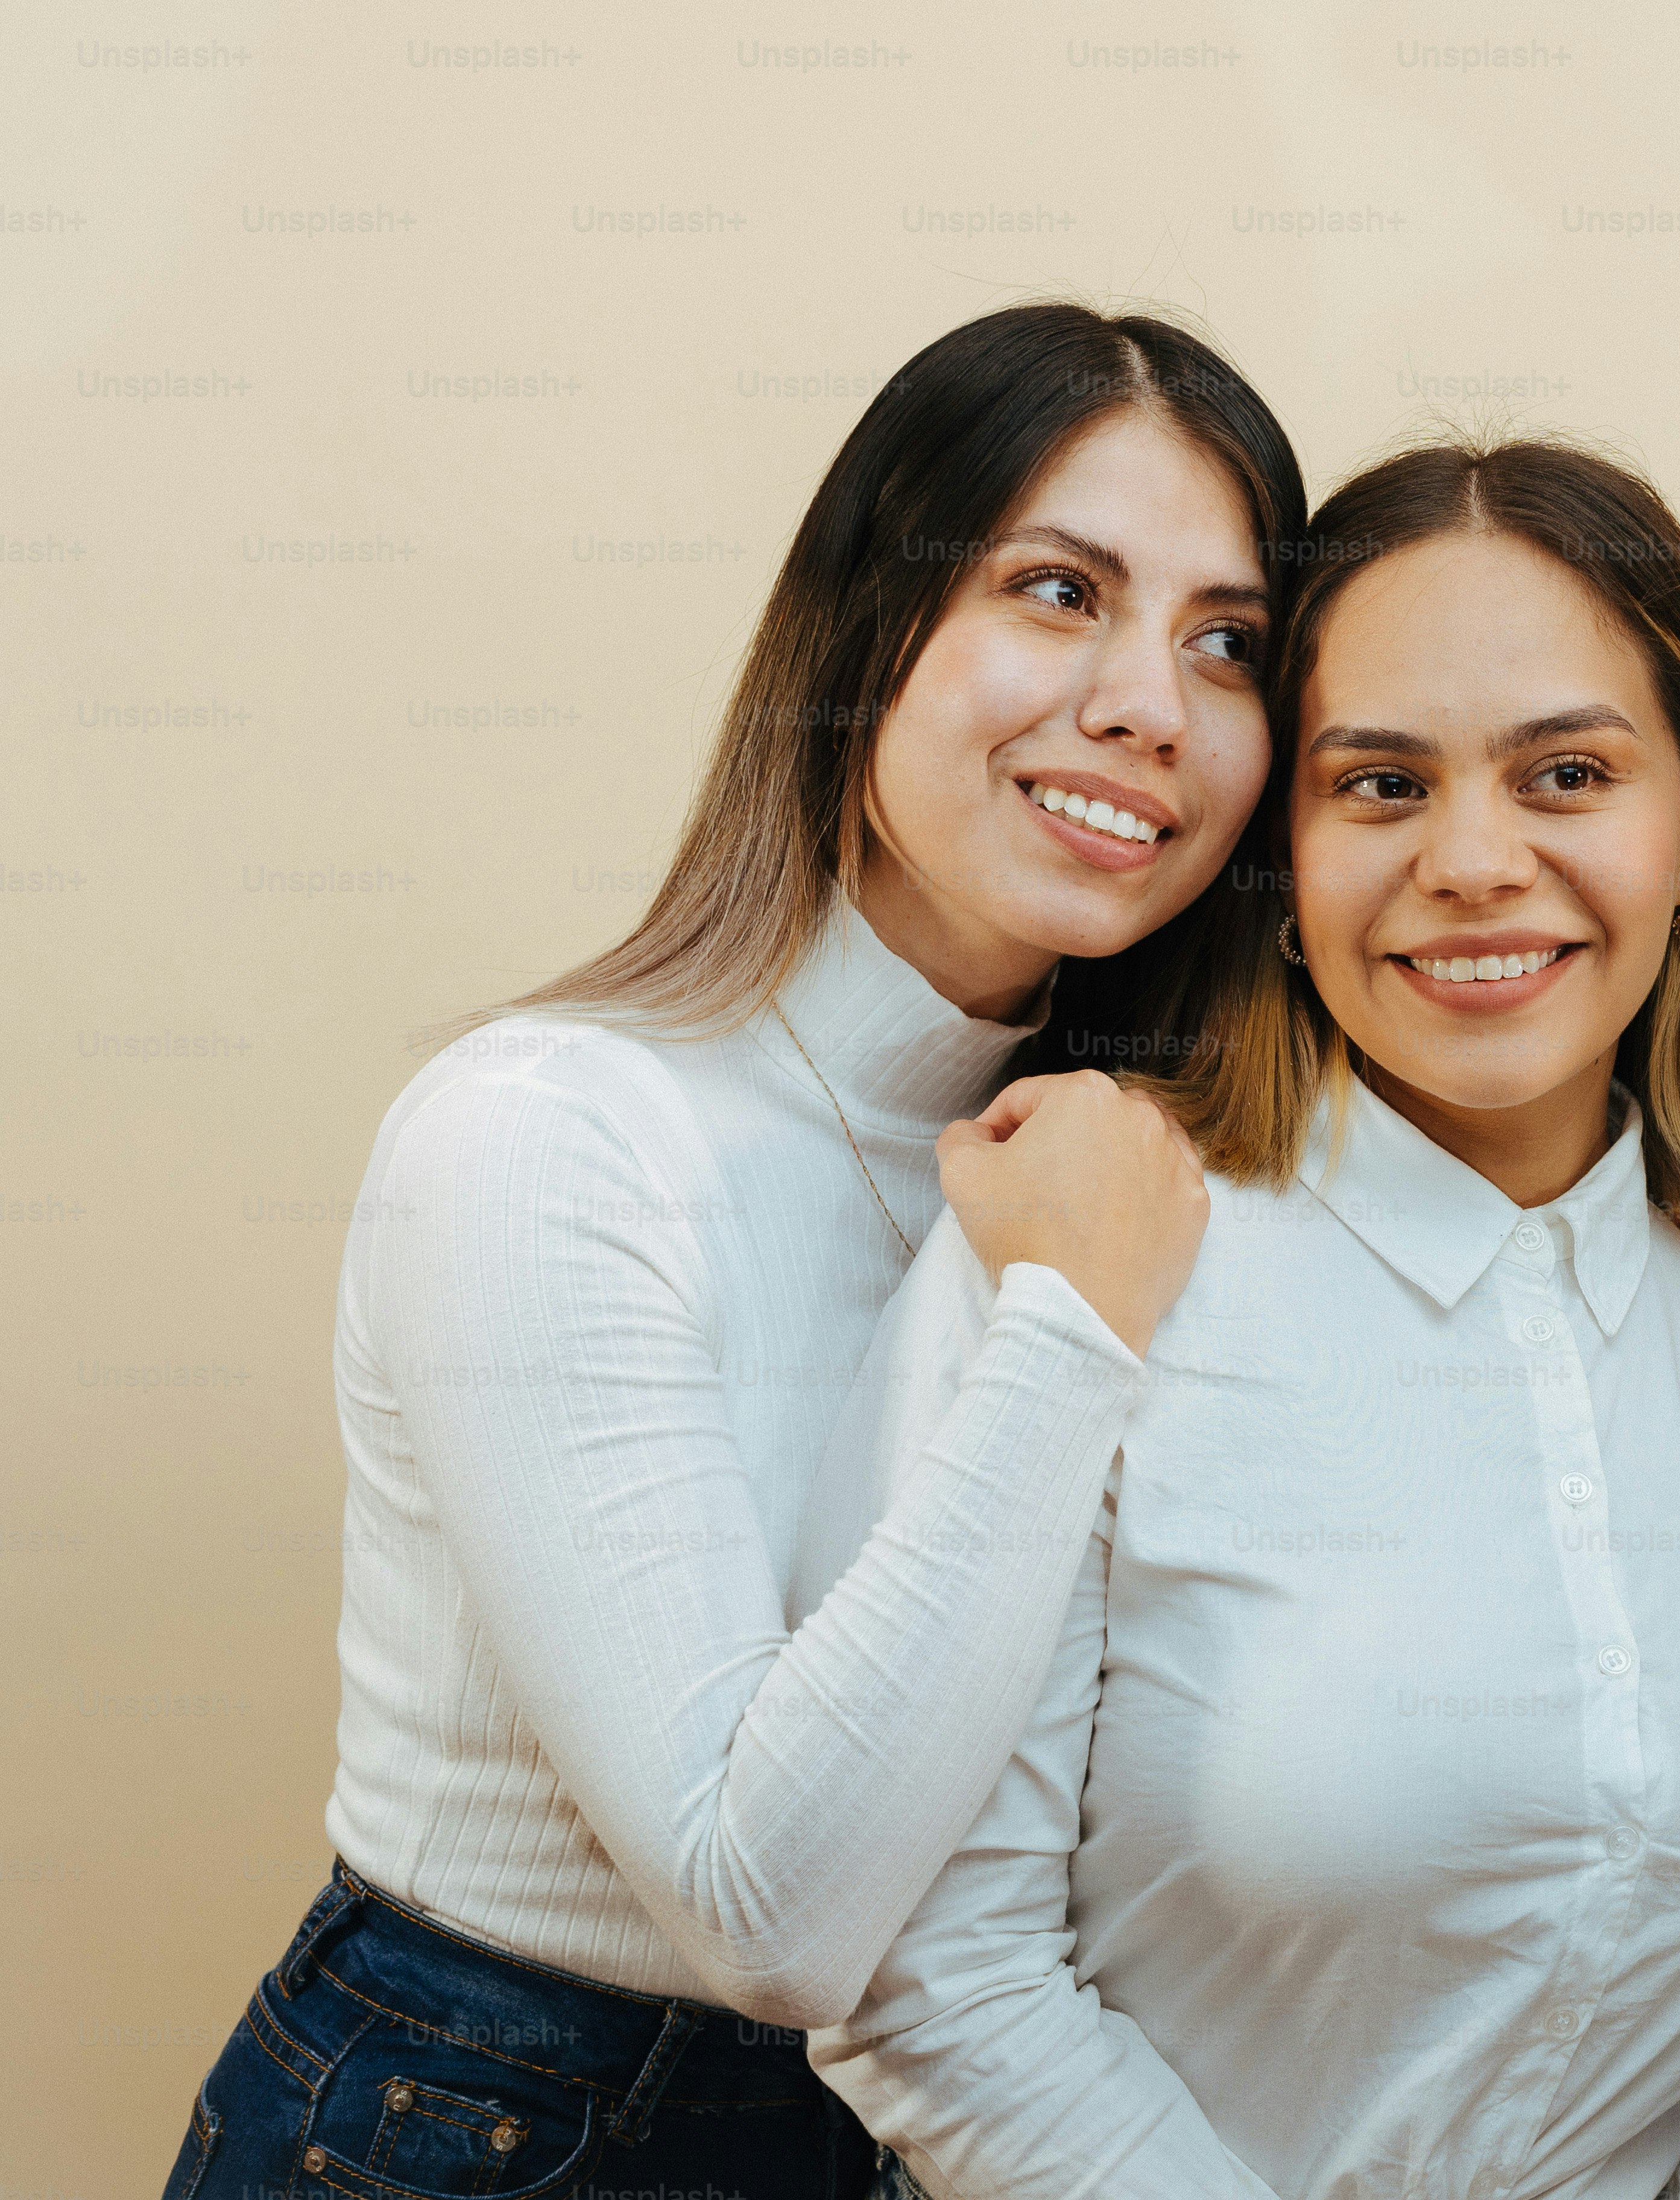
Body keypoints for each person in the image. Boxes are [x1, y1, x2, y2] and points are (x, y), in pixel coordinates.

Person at [161, 304, 1304, 2199]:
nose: (1147, 705)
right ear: (867, 636)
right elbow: (764, 1916)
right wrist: (1067, 1323)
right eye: (1054, 589)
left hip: (914, 2140)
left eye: (1228, 643)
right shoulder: (547, 1135)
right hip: (487, 2122)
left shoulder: (1142, 1162)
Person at [795, 440, 1680, 2200]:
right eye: (1379, 785)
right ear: (1280, 858)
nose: (1472, 862)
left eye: (1566, 774)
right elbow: (927, 1981)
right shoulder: (1085, 1262)